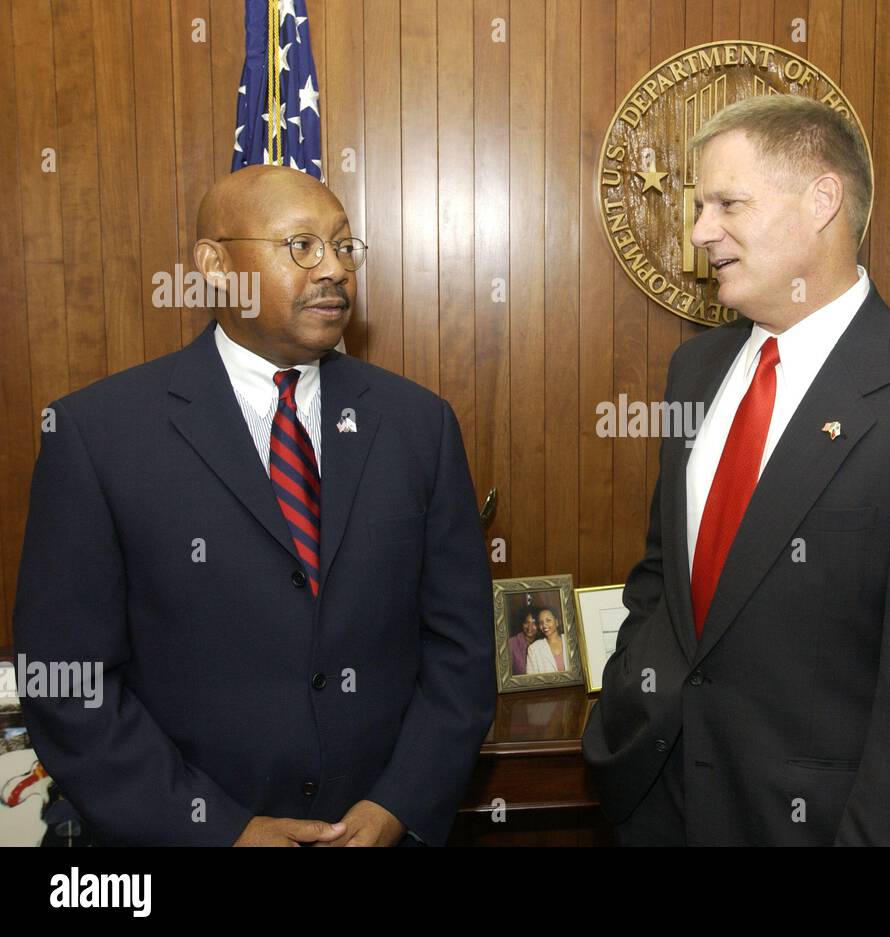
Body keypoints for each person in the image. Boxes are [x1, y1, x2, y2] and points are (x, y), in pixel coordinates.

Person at [581, 94, 890, 845]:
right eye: (699, 206)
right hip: (653, 803)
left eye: (728, 203)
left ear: (823, 200)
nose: (699, 232)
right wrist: (631, 697)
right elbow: (665, 571)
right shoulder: (695, 369)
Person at [13, 164, 495, 846]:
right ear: (215, 264)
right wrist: (220, 831)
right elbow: (68, 682)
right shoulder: (96, 436)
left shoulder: (419, 425)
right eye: (301, 246)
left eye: (344, 246)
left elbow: (462, 651)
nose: (334, 269)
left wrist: (398, 803)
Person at [525, 608, 569, 674]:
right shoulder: (533, 649)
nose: (544, 625)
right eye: (541, 622)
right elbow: (532, 680)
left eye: (548, 620)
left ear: (556, 622)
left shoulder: (569, 640)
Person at [508, 610, 539, 676]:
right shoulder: (511, 643)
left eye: (534, 623)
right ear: (522, 624)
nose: (529, 627)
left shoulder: (542, 644)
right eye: (526, 622)